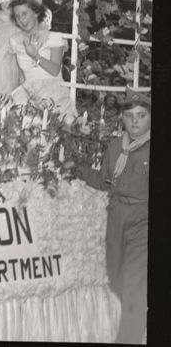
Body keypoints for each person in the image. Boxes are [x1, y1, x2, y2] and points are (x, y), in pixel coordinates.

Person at [74, 89, 149, 343]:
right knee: (115, 278)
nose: (135, 121)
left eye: (141, 115)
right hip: (116, 216)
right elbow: (106, 182)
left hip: (144, 219)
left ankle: (128, 338)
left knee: (134, 286)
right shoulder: (116, 146)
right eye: (129, 115)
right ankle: (137, 324)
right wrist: (77, 169)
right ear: (122, 119)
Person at [8, 0, 77, 121]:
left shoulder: (54, 38)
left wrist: (35, 56)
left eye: (24, 13)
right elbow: (20, 75)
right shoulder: (15, 41)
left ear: (36, 12)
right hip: (27, 93)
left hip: (53, 93)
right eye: (17, 16)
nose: (22, 19)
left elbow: (55, 70)